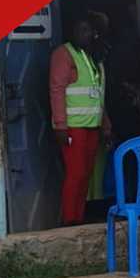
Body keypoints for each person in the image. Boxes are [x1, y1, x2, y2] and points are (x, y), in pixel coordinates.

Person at [49, 16, 111, 226]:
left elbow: (98, 93)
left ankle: (79, 216)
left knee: (85, 174)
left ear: (94, 33)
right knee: (75, 174)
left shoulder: (93, 57)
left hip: (92, 125)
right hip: (72, 126)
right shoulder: (64, 54)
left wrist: (105, 123)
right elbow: (57, 90)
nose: (82, 34)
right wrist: (60, 125)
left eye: (86, 30)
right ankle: (70, 220)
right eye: (78, 29)